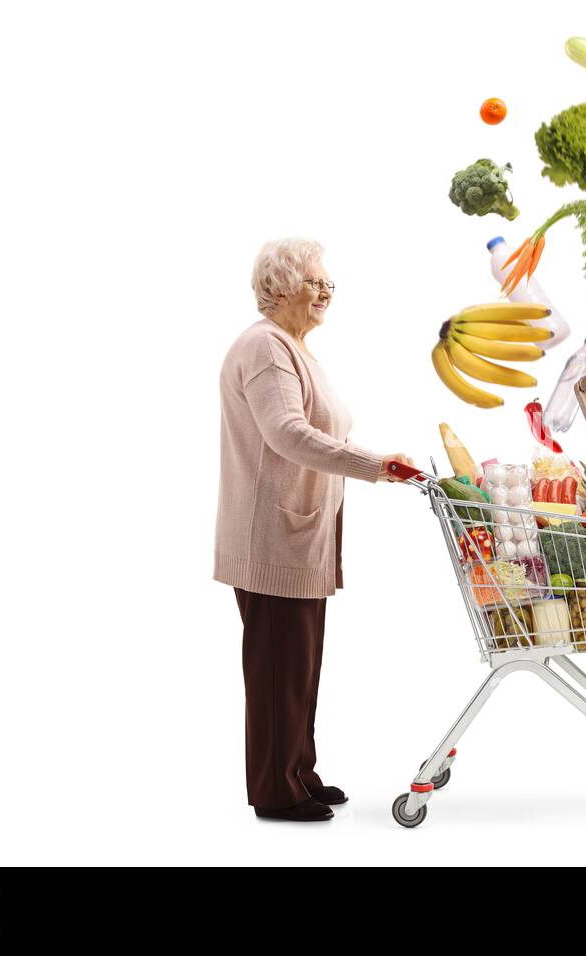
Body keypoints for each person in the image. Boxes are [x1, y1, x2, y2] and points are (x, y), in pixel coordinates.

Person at [214, 237, 413, 822]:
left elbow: (320, 433)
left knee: (298, 665)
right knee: (279, 667)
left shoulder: (297, 350)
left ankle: (298, 771)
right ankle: (277, 791)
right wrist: (373, 468)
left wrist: (381, 462)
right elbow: (288, 435)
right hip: (272, 536)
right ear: (277, 290)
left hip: (301, 538)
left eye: (330, 282)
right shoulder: (266, 348)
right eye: (314, 281)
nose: (326, 291)